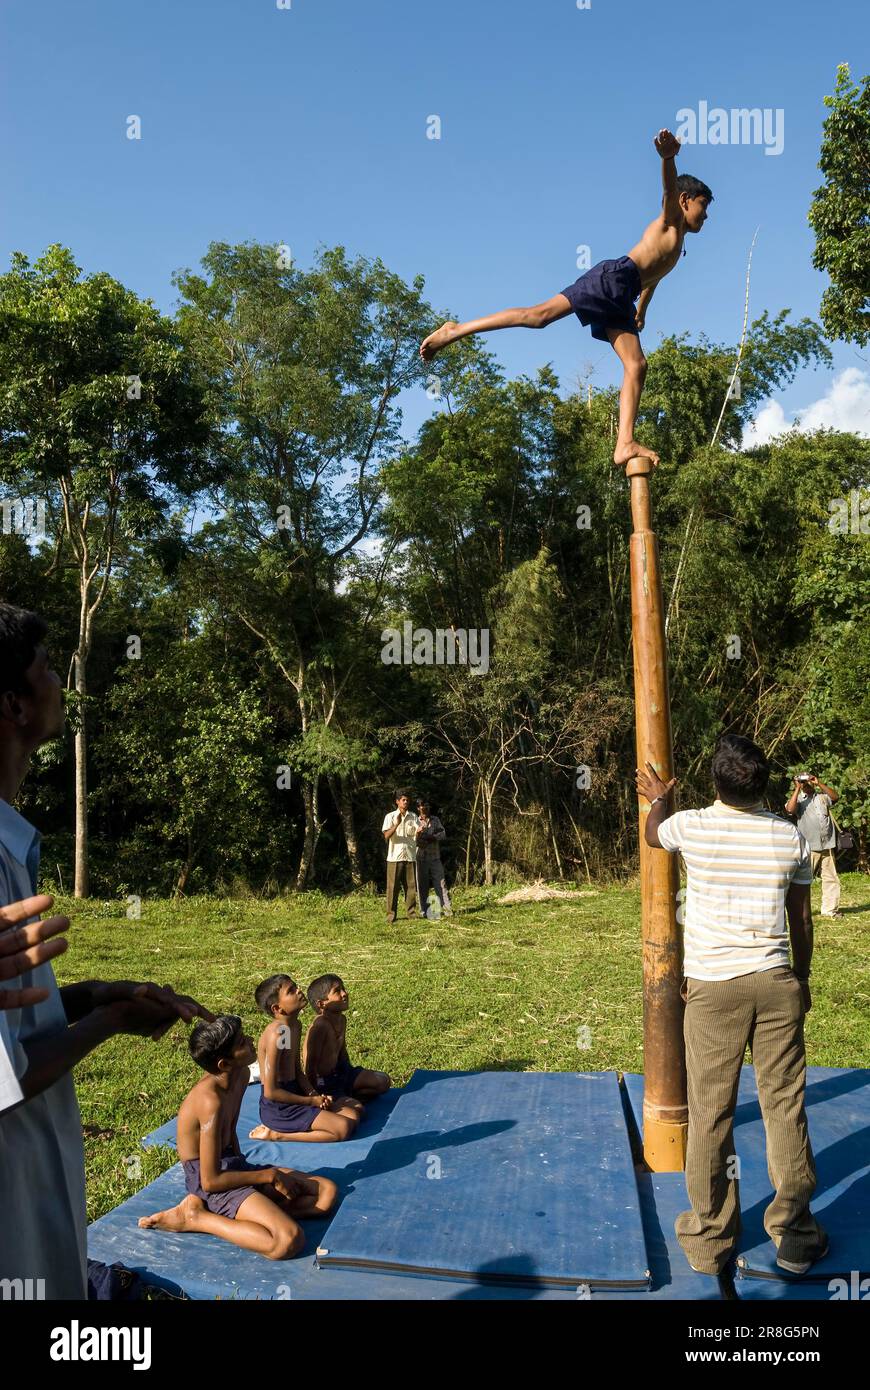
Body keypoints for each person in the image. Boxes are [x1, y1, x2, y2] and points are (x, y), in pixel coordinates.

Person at [0, 601, 213, 1299]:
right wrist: (113, 1022)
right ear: (15, 705)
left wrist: (92, 996)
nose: (61, 681)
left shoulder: (14, 844)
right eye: (47, 669)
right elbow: (4, 1072)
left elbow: (12, 1019)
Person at [636, 733, 828, 1278]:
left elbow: (654, 835)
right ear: (764, 783)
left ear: (716, 782)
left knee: (711, 1112)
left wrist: (659, 798)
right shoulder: (789, 837)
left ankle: (710, 1238)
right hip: (775, 982)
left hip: (713, 989)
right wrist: (803, 977)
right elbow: (802, 920)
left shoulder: (692, 826)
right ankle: (795, 1236)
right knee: (784, 1105)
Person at [420, 129, 711, 470]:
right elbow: (667, 188)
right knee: (538, 316)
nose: (705, 217)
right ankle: (455, 330)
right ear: (685, 200)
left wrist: (642, 311)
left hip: (624, 295)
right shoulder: (671, 223)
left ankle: (625, 443)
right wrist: (668, 158)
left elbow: (653, 278)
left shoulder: (677, 247)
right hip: (612, 280)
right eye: (703, 207)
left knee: (637, 366)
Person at [138, 1015, 336, 1258]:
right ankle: (195, 1217)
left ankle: (259, 1213)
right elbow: (210, 1180)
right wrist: (267, 1176)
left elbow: (229, 1130)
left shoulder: (240, 1075)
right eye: (242, 1042)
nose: (251, 1041)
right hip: (210, 1179)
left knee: (326, 1193)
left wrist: (251, 1175)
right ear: (224, 1064)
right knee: (288, 1240)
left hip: (233, 1165)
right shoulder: (210, 1101)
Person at [248, 973, 361, 1141]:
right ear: (277, 1009)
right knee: (342, 1128)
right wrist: (310, 1102)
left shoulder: (293, 1026)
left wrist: (315, 1095)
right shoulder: (277, 1033)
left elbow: (295, 1070)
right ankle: (277, 1134)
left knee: (355, 1112)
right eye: (291, 991)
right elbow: (271, 1092)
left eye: (296, 986)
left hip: (296, 1094)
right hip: (280, 1107)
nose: (299, 991)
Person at [304, 974, 391, 1103]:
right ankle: (339, 1099)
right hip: (325, 1082)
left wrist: (349, 1072)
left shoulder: (342, 1019)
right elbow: (310, 1065)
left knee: (383, 1081)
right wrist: (314, 1095)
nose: (345, 994)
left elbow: (342, 1051)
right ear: (321, 1004)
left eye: (343, 988)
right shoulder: (320, 1026)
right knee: (357, 1110)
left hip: (341, 1073)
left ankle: (345, 1096)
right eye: (337, 991)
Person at [784, 773, 841, 919]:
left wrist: (818, 783)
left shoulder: (822, 797)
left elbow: (835, 797)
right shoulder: (798, 800)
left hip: (827, 845)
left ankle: (830, 910)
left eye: (808, 781)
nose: (806, 784)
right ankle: (798, 910)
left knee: (831, 878)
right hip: (809, 847)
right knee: (800, 881)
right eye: (803, 782)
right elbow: (790, 810)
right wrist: (797, 789)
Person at [382, 788, 419, 923]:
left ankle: (411, 913)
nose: (406, 802)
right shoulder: (390, 816)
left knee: (411, 887)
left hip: (410, 856)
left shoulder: (414, 817)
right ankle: (391, 915)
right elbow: (386, 836)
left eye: (407, 800)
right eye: (403, 800)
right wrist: (396, 824)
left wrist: (420, 831)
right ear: (397, 802)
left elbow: (417, 836)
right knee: (393, 887)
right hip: (394, 857)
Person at [414, 799, 452, 918]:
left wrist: (431, 837)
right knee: (422, 886)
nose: (424, 808)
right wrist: (421, 838)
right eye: (421, 806)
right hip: (420, 858)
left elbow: (442, 834)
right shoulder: (414, 820)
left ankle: (447, 910)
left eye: (426, 805)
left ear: (429, 806)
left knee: (441, 884)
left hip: (435, 857)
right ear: (418, 808)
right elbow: (412, 838)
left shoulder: (435, 819)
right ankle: (424, 912)